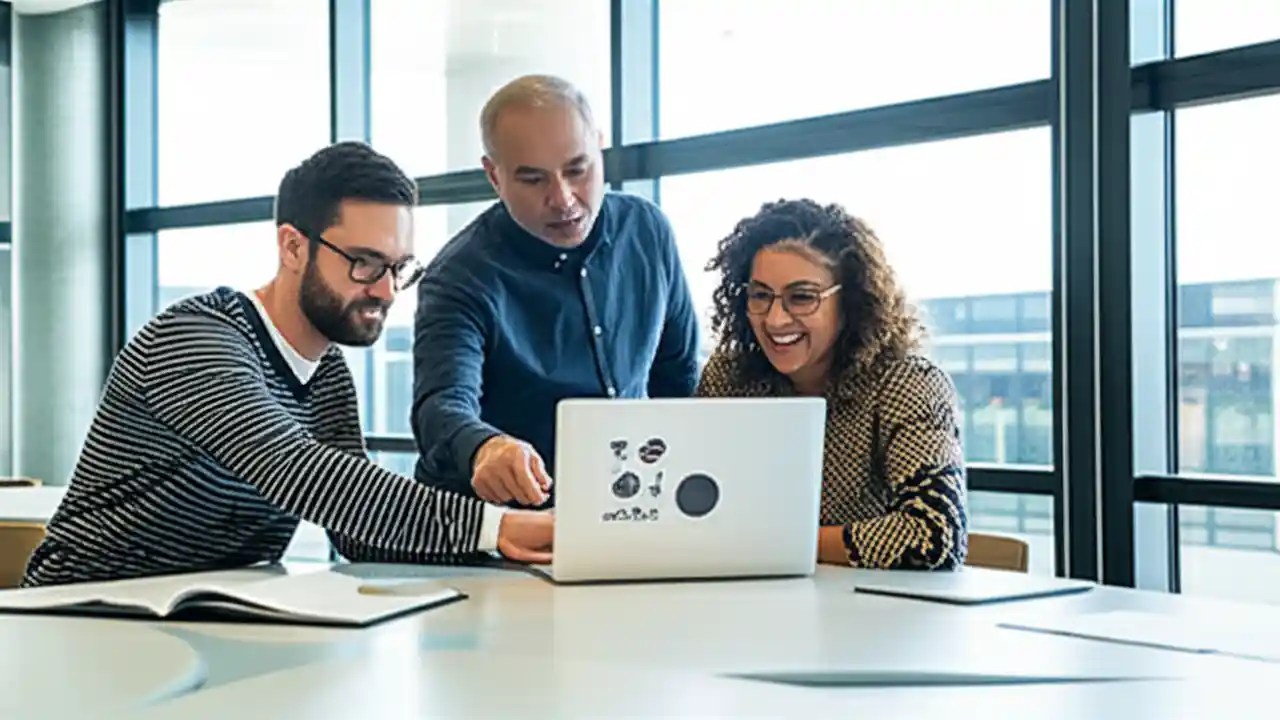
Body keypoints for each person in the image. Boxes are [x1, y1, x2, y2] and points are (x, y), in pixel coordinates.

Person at [22, 142, 552, 587]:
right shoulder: (196, 337)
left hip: (213, 615)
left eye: (398, 268)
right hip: (81, 611)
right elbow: (297, 469)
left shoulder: (327, 376)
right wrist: (493, 526)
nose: (387, 290)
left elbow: (358, 531)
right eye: (364, 263)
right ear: (293, 247)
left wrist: (513, 555)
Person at [412, 74, 700, 508]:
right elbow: (442, 406)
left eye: (577, 170)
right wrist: (485, 447)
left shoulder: (647, 231)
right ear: (494, 175)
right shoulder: (459, 276)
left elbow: (678, 379)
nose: (563, 199)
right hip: (502, 532)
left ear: (599, 148)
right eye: (533, 180)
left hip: (630, 514)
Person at [696, 199, 967, 570]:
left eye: (802, 297)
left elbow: (937, 535)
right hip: (745, 606)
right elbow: (694, 518)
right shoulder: (728, 378)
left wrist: (778, 543)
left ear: (851, 301)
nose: (776, 319)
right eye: (760, 295)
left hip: (874, 615)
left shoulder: (907, 384)